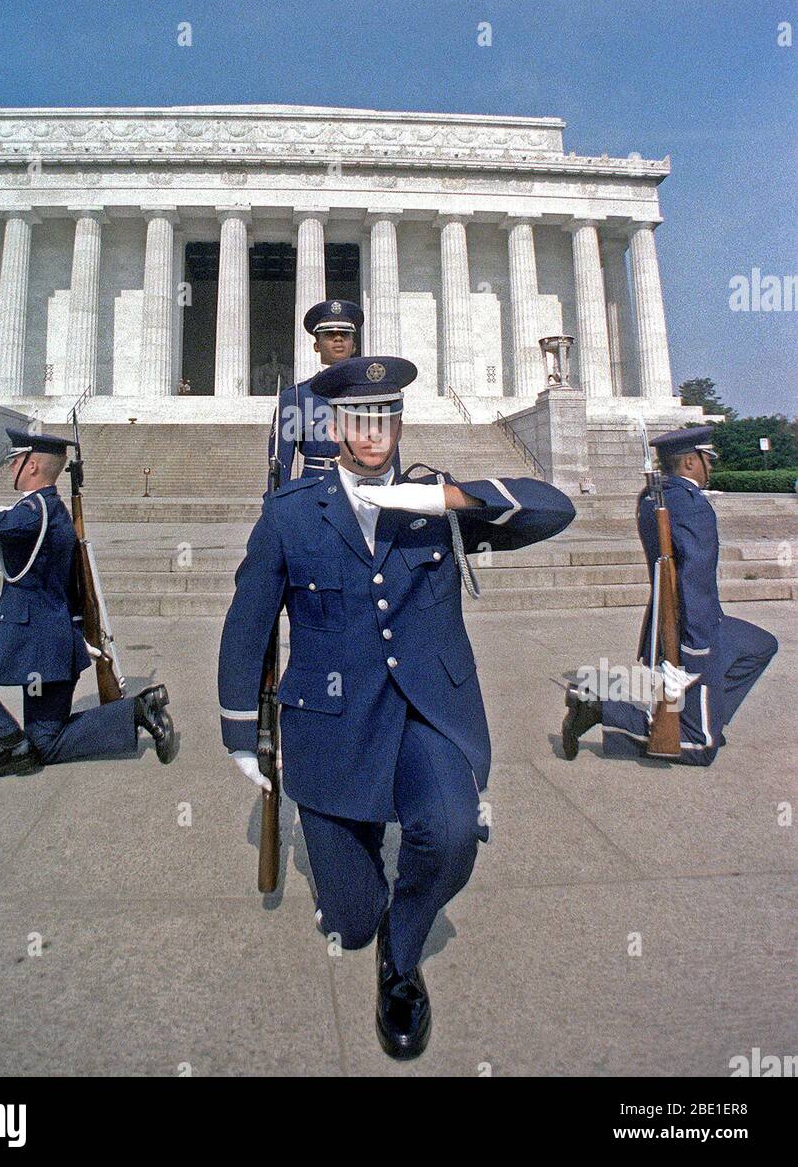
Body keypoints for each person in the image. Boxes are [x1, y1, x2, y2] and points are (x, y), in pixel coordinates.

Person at [220, 356, 575, 1058]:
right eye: (359, 417)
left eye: (385, 416)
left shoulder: (433, 501)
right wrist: (239, 731)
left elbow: (552, 508)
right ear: (333, 425)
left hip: (427, 711)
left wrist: (446, 502)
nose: (373, 431)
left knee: (447, 835)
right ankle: (367, 915)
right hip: (330, 720)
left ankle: (403, 956)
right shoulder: (290, 515)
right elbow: (248, 622)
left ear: (399, 422)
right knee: (347, 922)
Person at [0, 427, 174, 779]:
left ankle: (9, 743)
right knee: (46, 743)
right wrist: (78, 635)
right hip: (56, 642)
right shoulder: (54, 511)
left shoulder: (33, 512)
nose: (10, 467)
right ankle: (138, 710)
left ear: (33, 467)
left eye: (15, 460)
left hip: (23, 634)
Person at [562, 425, 778, 765]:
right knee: (698, 749)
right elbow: (694, 580)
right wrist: (694, 649)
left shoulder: (653, 495)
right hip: (692, 629)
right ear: (691, 462)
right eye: (709, 459)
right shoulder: (690, 504)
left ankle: (708, 715)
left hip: (689, 618)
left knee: (760, 645)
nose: (712, 466)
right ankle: (598, 709)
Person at [270, 299, 400, 481]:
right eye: (330, 334)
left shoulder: (374, 396)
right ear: (316, 345)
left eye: (345, 334)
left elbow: (390, 452)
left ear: (353, 345)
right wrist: (277, 503)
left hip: (364, 488)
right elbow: (280, 463)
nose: (338, 338)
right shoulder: (297, 397)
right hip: (314, 491)